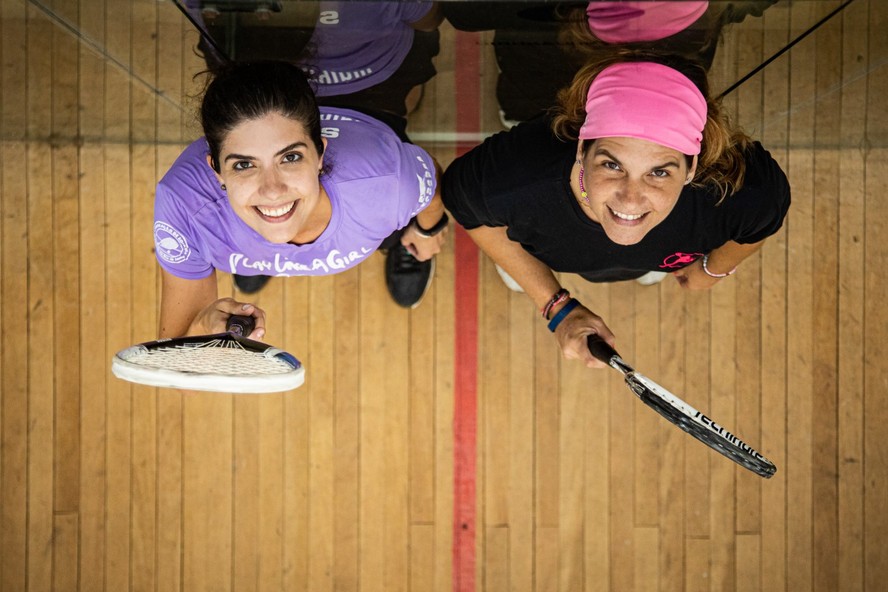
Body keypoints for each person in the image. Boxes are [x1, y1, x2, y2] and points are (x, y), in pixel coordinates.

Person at [441, 52, 790, 367]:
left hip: (655, 259)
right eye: (612, 165)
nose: (630, 200)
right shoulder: (510, 180)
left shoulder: (743, 191)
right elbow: (466, 208)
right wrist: (553, 304)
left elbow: (761, 222)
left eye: (659, 172)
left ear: (693, 168)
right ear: (581, 150)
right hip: (544, 247)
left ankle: (644, 264)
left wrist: (710, 272)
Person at [153, 61, 449, 339]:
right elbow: (178, 377)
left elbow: (431, 180)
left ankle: (397, 241)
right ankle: (259, 263)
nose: (272, 190)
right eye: (244, 165)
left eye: (290, 157)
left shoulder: (386, 183)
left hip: (365, 109)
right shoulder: (184, 205)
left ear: (320, 154)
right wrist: (203, 324)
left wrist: (426, 229)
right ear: (216, 170)